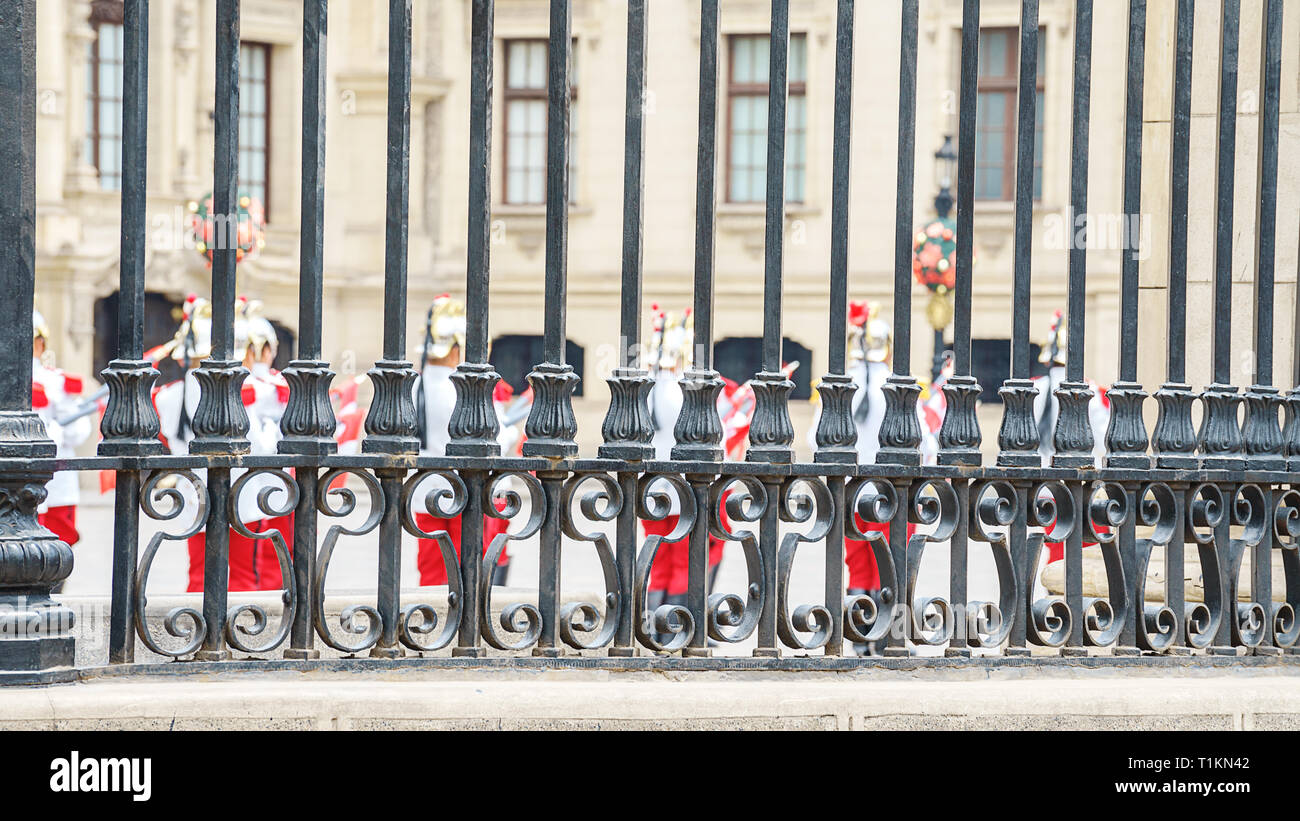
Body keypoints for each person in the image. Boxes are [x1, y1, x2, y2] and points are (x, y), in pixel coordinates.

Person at [807, 300, 920, 655]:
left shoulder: (836, 385)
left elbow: (815, 438)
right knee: (894, 565)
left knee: (859, 565)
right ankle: (890, 638)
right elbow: (925, 442)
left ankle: (859, 637)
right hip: (892, 492)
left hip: (853, 493)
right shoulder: (901, 385)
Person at [154, 296, 279, 592]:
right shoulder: (247, 390)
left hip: (194, 492)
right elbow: (262, 447)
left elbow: (171, 440)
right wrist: (270, 428)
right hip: (242, 493)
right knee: (243, 576)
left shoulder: (169, 394)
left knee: (199, 574)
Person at [411, 294, 520, 587]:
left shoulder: (413, 385)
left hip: (426, 492)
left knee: (433, 574)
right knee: (471, 575)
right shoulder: (464, 388)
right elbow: (495, 440)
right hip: (466, 492)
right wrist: (511, 429)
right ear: (457, 348)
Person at [641, 307, 730, 640]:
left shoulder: (646, 386)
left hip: (652, 489)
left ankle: (656, 631)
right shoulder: (684, 389)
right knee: (682, 562)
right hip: (684, 490)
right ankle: (676, 632)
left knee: (659, 563)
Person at [1033, 310, 1111, 563]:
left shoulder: (1035, 387)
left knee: (1055, 553)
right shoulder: (1090, 389)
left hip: (1047, 486)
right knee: (1090, 554)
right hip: (1086, 484)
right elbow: (1104, 438)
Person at [31, 309, 92, 592]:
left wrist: (53, 430)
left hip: (55, 481)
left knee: (57, 546)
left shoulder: (56, 381)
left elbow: (78, 431)